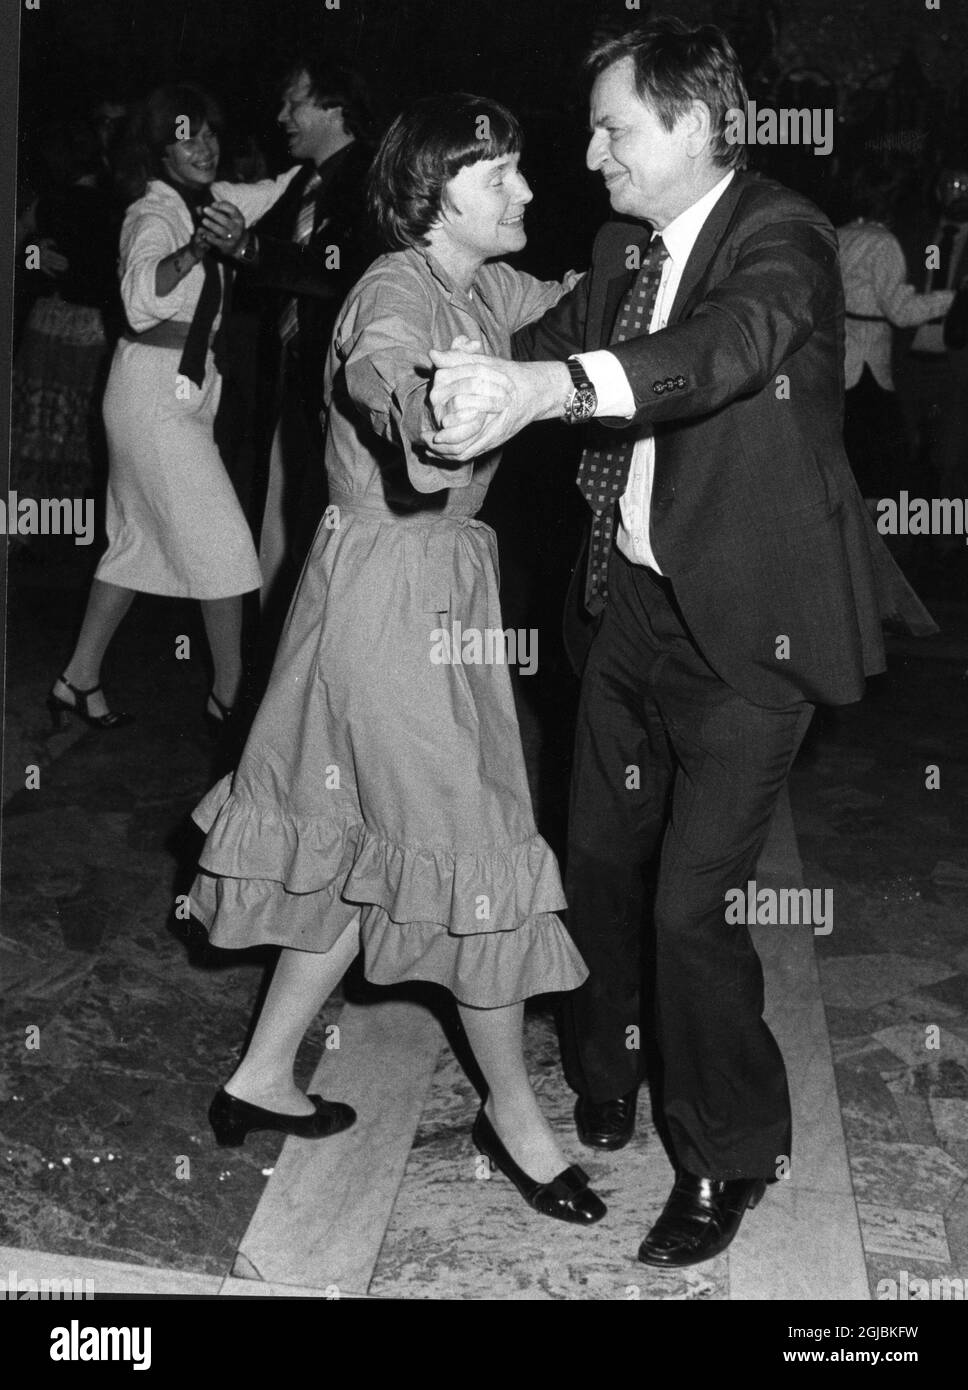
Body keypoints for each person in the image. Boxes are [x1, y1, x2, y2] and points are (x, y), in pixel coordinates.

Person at [427, 18, 937, 1267]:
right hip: (628, 609)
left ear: (696, 124)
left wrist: (548, 393)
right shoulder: (622, 247)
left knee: (687, 909)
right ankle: (607, 1069)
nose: (590, 154)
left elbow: (721, 351)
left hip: (753, 629)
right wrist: (452, 357)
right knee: (596, 864)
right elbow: (541, 339)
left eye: (613, 129)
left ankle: (724, 1152)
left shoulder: (782, 235)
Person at [189, 94, 605, 1227]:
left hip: (411, 586)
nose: (526, 190)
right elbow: (380, 369)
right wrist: (428, 411)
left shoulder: (482, 287)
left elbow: (582, 299)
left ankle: (260, 1073)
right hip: (391, 596)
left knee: (355, 837)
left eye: (519, 169)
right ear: (433, 194)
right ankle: (515, 1119)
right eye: (498, 175)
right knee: (476, 847)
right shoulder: (395, 288)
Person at [48, 83, 299, 732]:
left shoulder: (213, 200)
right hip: (151, 396)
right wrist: (198, 249)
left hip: (184, 392)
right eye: (187, 139)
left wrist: (322, 166)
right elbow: (139, 300)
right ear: (161, 153)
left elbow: (279, 189)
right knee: (227, 546)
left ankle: (77, 678)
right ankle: (230, 695)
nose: (204, 147)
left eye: (208, 134)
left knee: (134, 543)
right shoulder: (152, 214)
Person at [222, 56, 377, 634]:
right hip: (293, 380)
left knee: (322, 528)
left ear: (334, 106)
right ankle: (276, 654)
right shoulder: (302, 184)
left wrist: (251, 250)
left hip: (338, 390)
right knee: (280, 526)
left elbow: (340, 271)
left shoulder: (369, 177)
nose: (282, 116)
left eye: (295, 102)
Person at [10, 119, 122, 539]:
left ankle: (24, 530)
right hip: (94, 331)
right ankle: (77, 531)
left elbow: (15, 244)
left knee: (39, 427)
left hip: (50, 325)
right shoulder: (119, 207)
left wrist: (32, 255)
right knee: (80, 429)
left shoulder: (52, 204)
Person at [836, 167, 954, 501]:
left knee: (849, 461)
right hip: (869, 368)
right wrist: (952, 299)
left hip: (841, 364)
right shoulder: (883, 243)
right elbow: (902, 312)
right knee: (879, 469)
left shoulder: (839, 234)